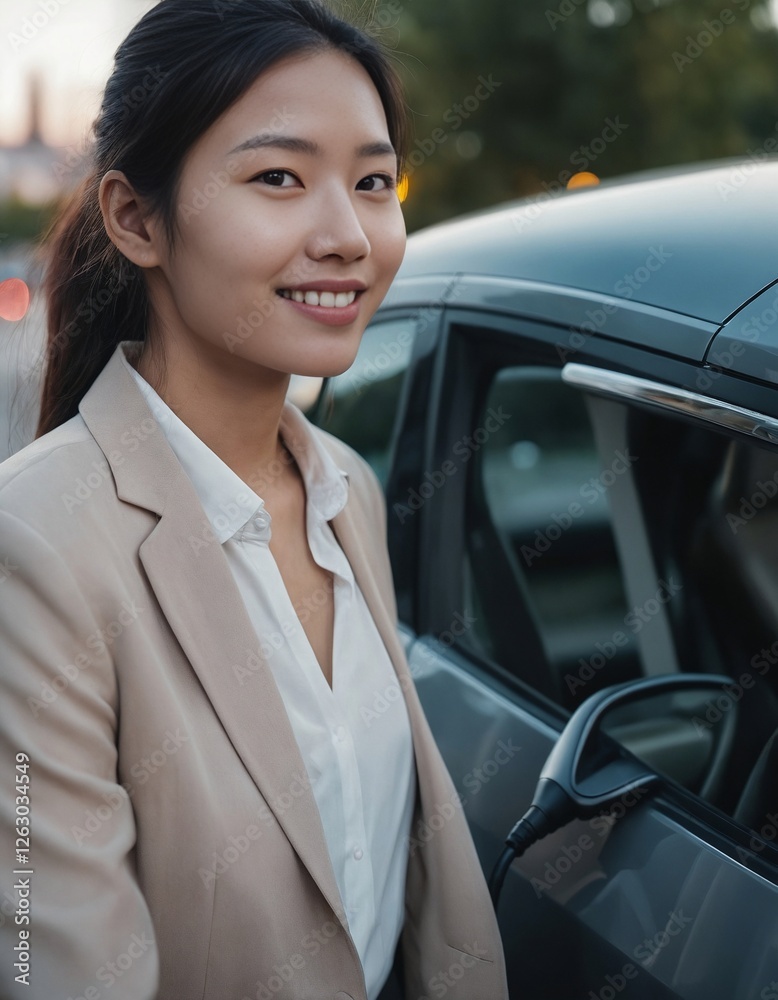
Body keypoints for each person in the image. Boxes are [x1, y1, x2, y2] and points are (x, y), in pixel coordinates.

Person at [0, 2, 509, 998]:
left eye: (372, 181)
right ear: (136, 218)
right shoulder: (37, 546)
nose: (348, 235)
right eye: (278, 177)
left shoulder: (344, 491)